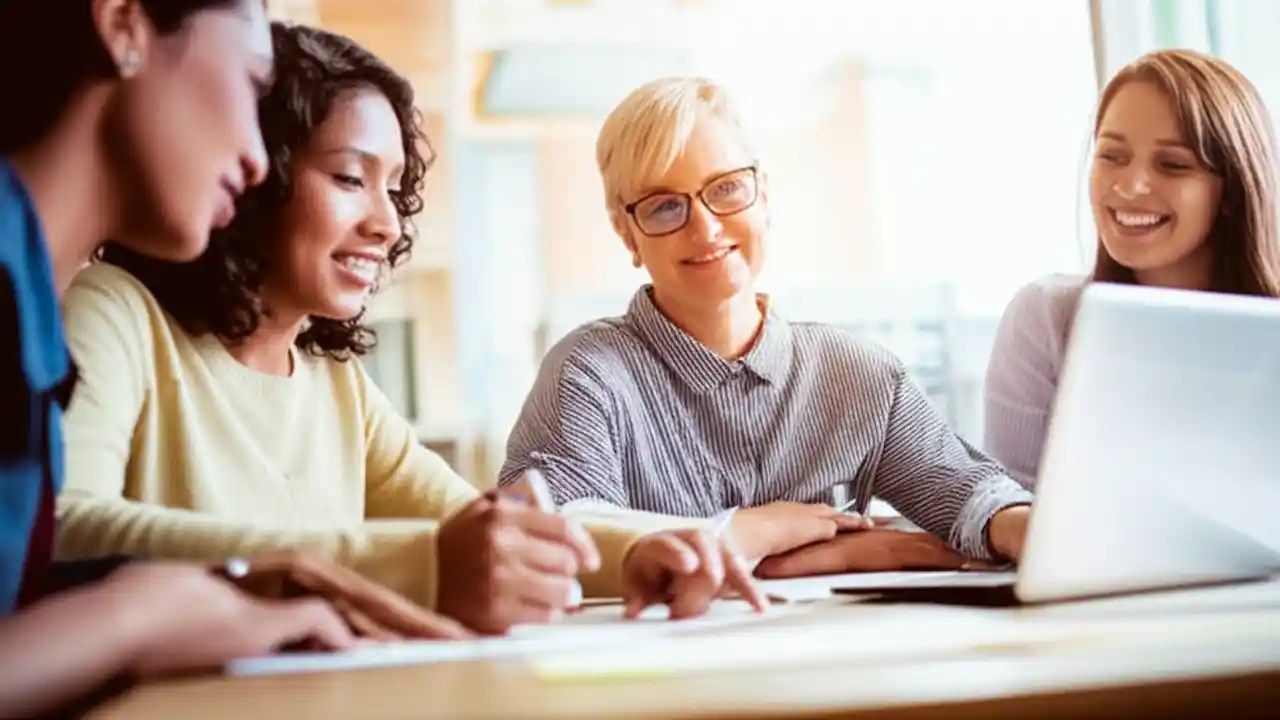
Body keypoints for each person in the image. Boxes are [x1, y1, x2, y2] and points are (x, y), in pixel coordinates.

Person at [58, 23, 763, 637]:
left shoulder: (336, 384)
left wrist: (650, 548)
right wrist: (419, 566)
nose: (387, 223)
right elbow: (68, 530)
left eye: (394, 189)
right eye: (348, 179)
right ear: (255, 173)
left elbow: (486, 527)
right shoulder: (117, 311)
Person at [0, 3, 467, 717]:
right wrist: (141, 613)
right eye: (251, 88)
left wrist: (169, 606)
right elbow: (73, 529)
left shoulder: (25, 295)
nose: (257, 162)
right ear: (123, 23)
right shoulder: (86, 305)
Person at [500, 77, 1034, 577]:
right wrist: (755, 534)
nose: (706, 227)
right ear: (627, 234)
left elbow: (968, 493)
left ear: (764, 193)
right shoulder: (588, 375)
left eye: (726, 188)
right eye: (665, 207)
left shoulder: (857, 375)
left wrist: (1021, 528)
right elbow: (548, 546)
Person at [984, 49, 1280, 488]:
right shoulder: (1046, 320)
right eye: (1112, 156)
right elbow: (1007, 515)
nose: (1130, 186)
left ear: (1234, 190)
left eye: (1173, 165)